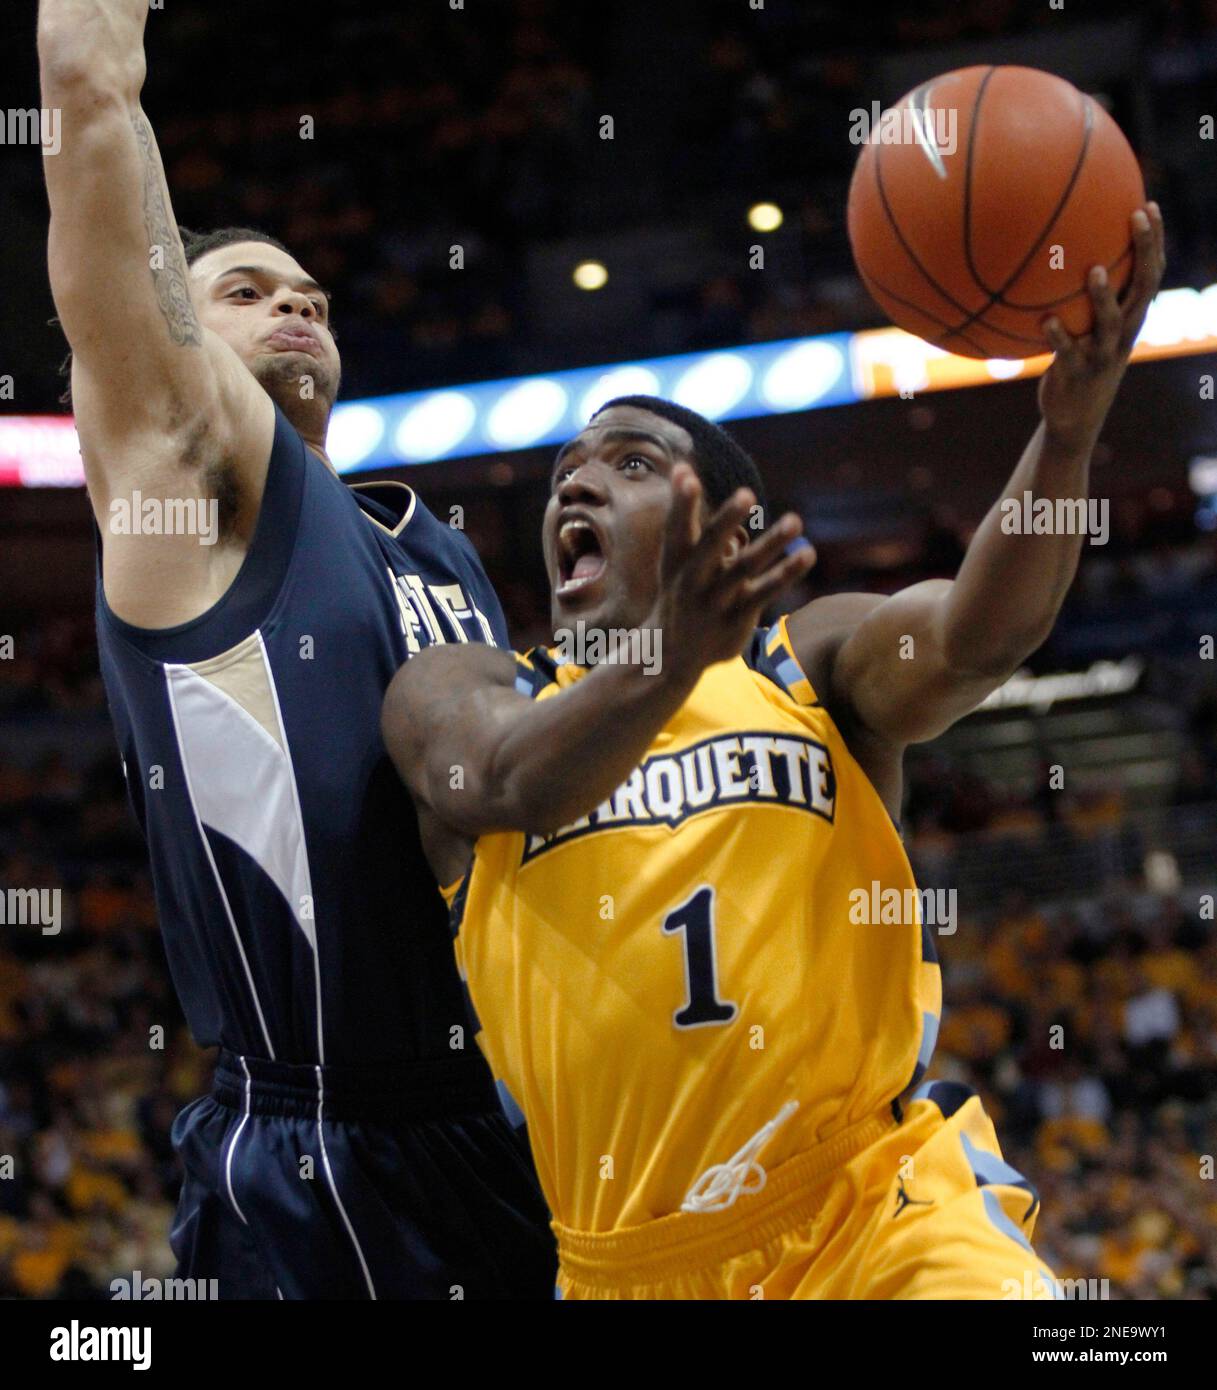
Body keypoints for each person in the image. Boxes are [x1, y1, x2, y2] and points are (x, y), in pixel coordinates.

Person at [381, 203, 1165, 1299]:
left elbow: (984, 632)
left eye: (631, 461)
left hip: (872, 1208)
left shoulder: (810, 667)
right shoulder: (466, 688)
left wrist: (1068, 430)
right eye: (567, 469)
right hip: (630, 1266)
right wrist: (660, 657)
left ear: (732, 530)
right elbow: (506, 778)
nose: (575, 482)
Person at [38, 0, 555, 1298]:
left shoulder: (436, 548)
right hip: (324, 1150)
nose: (298, 306)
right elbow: (92, 107)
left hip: (519, 1110)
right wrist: (96, 58)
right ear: (174, 333)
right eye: (248, 292)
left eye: (313, 297)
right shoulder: (186, 488)